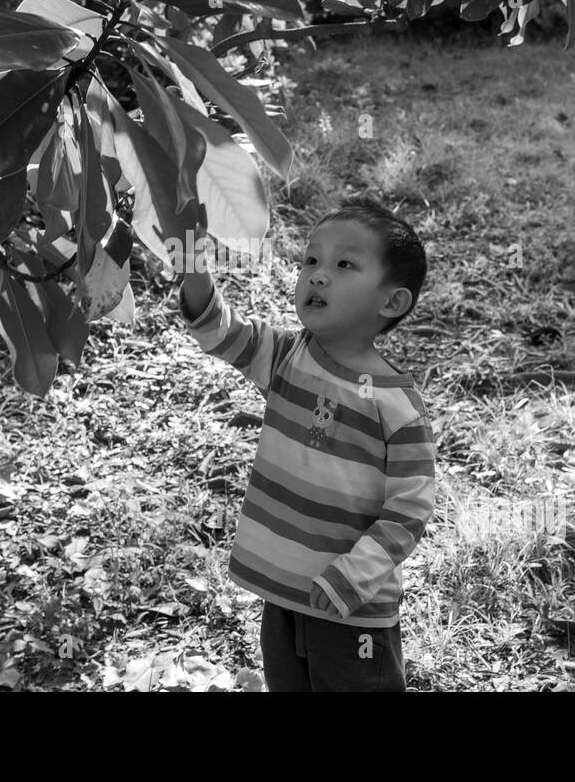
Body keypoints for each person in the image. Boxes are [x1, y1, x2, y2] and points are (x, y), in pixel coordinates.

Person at [172, 197, 437, 692]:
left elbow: (409, 512)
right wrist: (193, 262)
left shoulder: (398, 409)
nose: (317, 275)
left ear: (392, 302)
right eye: (311, 260)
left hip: (352, 609)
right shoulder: (286, 357)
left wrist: (353, 577)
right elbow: (217, 329)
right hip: (284, 594)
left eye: (344, 264)